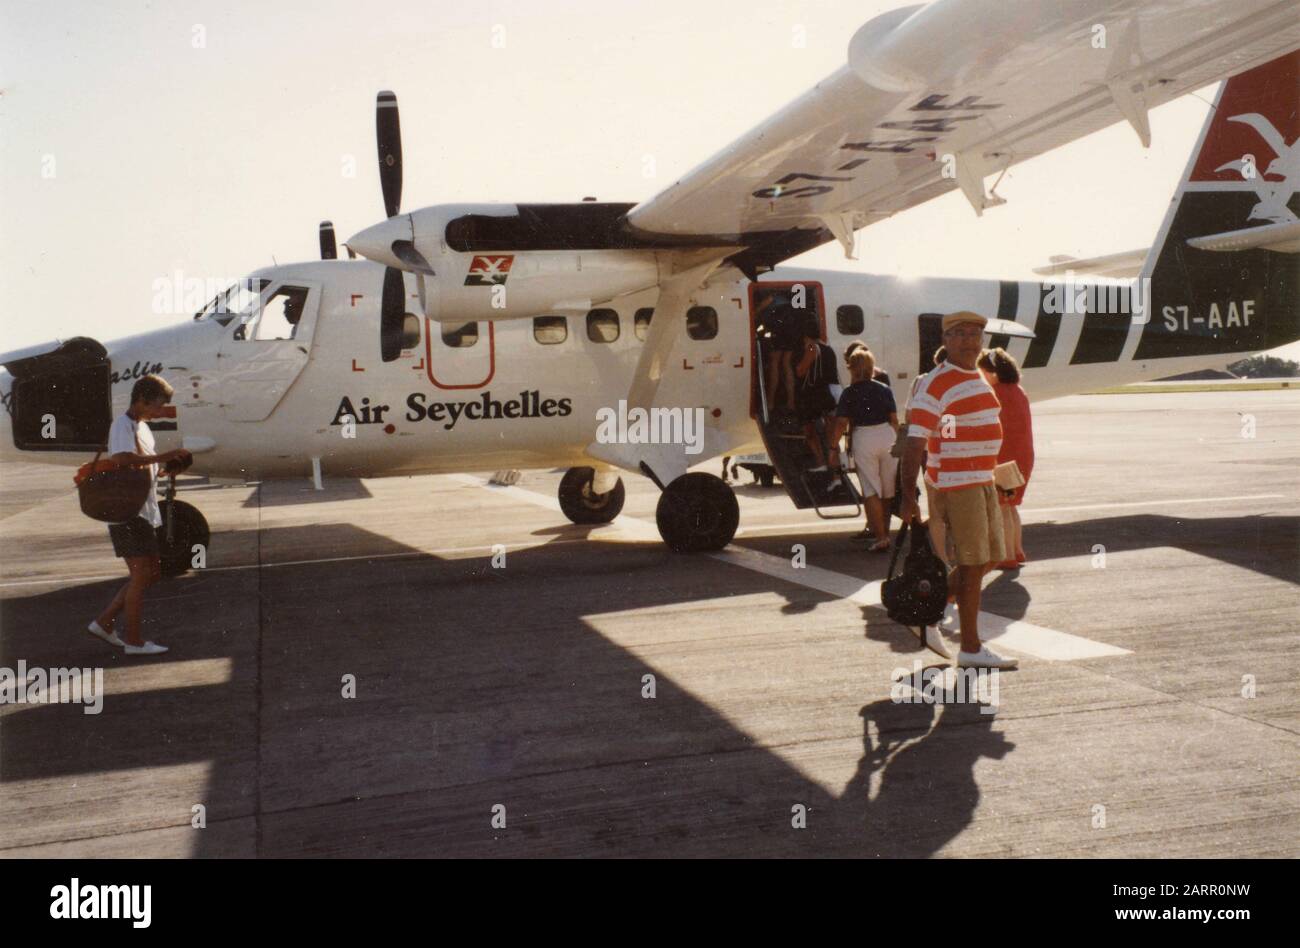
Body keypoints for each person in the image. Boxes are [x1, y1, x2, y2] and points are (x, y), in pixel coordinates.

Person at [898, 313, 1018, 670]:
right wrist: (907, 495)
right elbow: (915, 442)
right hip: (958, 484)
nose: (969, 341)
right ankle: (970, 648)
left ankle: (926, 611)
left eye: (976, 334)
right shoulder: (935, 383)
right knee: (972, 563)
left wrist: (997, 478)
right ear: (946, 340)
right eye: (960, 334)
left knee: (991, 557)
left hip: (981, 481)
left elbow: (971, 431)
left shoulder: (974, 376)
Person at [88, 375, 188, 656]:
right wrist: (162, 456)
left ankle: (105, 622)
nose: (160, 412)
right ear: (141, 400)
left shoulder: (141, 428)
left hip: (142, 510)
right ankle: (133, 641)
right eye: (157, 406)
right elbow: (121, 459)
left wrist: (165, 468)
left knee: (150, 573)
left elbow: (140, 466)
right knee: (142, 574)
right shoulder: (123, 425)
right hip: (127, 512)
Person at [830, 349, 899, 551]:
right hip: (887, 436)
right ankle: (884, 533)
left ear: (852, 369)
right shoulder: (884, 388)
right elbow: (894, 420)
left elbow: (841, 422)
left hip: (864, 437)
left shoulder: (849, 393)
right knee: (887, 490)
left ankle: (880, 537)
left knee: (871, 490)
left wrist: (833, 447)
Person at [978, 347, 1034, 568]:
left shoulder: (994, 393)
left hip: (1004, 457)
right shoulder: (1018, 390)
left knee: (1002, 507)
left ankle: (1007, 555)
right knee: (1010, 506)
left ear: (993, 373)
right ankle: (1017, 549)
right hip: (1022, 456)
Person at [793, 315, 840, 471]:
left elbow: (801, 371)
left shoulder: (812, 348)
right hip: (830, 393)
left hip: (817, 394)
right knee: (831, 435)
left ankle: (821, 462)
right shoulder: (828, 348)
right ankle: (835, 470)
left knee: (810, 431)